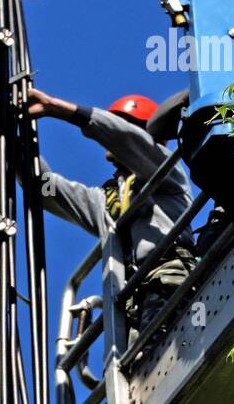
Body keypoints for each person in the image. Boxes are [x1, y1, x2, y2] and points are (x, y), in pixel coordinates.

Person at [27, 87, 194, 334]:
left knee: (158, 351)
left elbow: (125, 139)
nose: (112, 132)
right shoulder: (108, 199)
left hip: (168, 278)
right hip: (131, 302)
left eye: (122, 124)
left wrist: (57, 107)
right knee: (136, 365)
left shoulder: (166, 171)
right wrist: (20, 143)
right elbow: (49, 189)